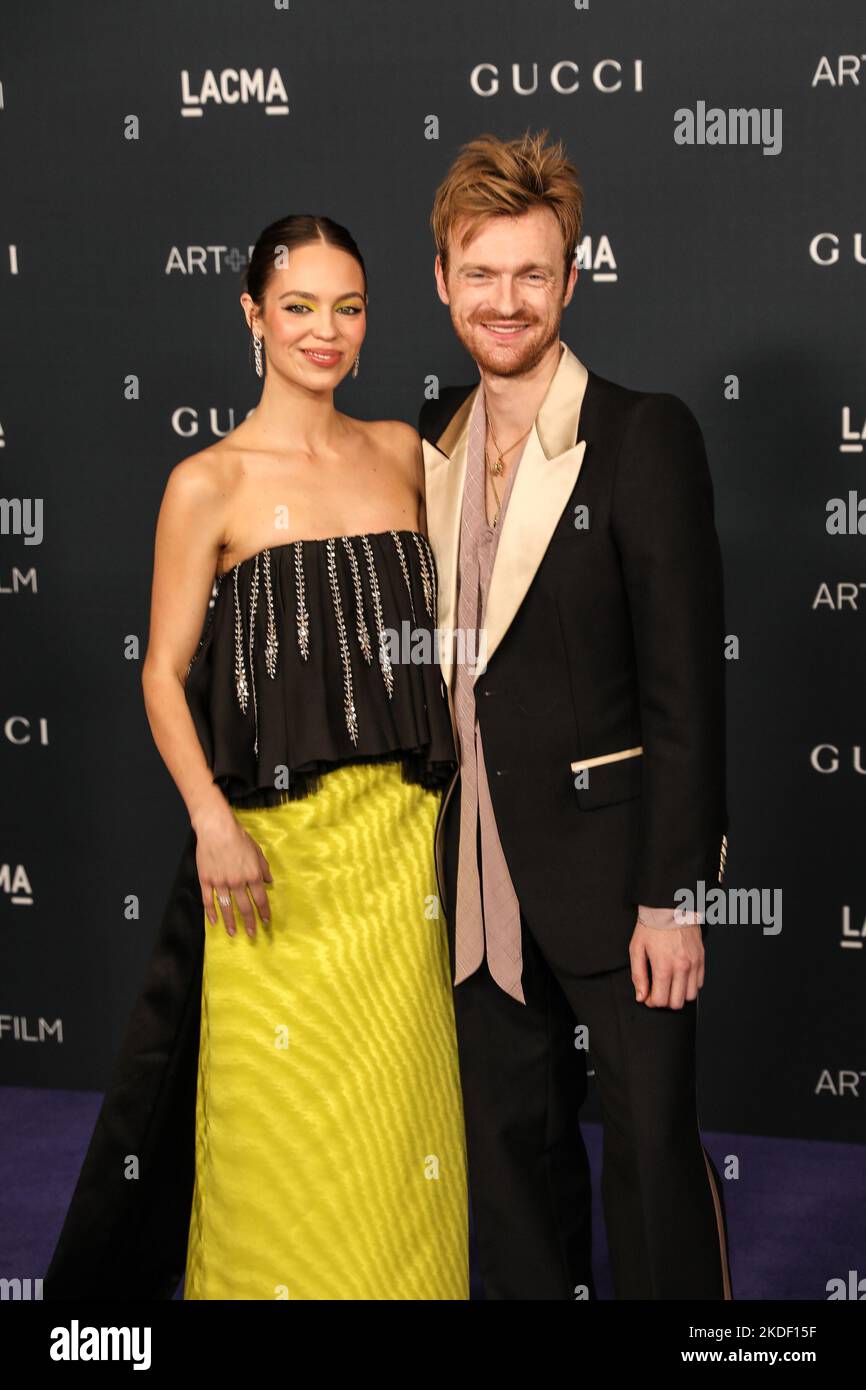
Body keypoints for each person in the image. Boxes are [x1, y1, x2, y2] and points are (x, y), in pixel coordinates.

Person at [44, 214, 468, 1301]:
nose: (324, 331)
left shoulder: (399, 454)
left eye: (348, 307)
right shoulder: (209, 483)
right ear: (252, 316)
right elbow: (162, 670)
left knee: (395, 1123)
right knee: (275, 1134)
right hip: (271, 865)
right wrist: (212, 822)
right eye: (297, 307)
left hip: (401, 856)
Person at [417, 129, 733, 1300]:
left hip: (618, 876)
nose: (506, 301)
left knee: (649, 1158)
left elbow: (685, 691)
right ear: (441, 280)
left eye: (531, 274)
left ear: (570, 277)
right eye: (481, 274)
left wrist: (673, 897)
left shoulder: (644, 434)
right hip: (475, 876)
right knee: (508, 1160)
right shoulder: (429, 441)